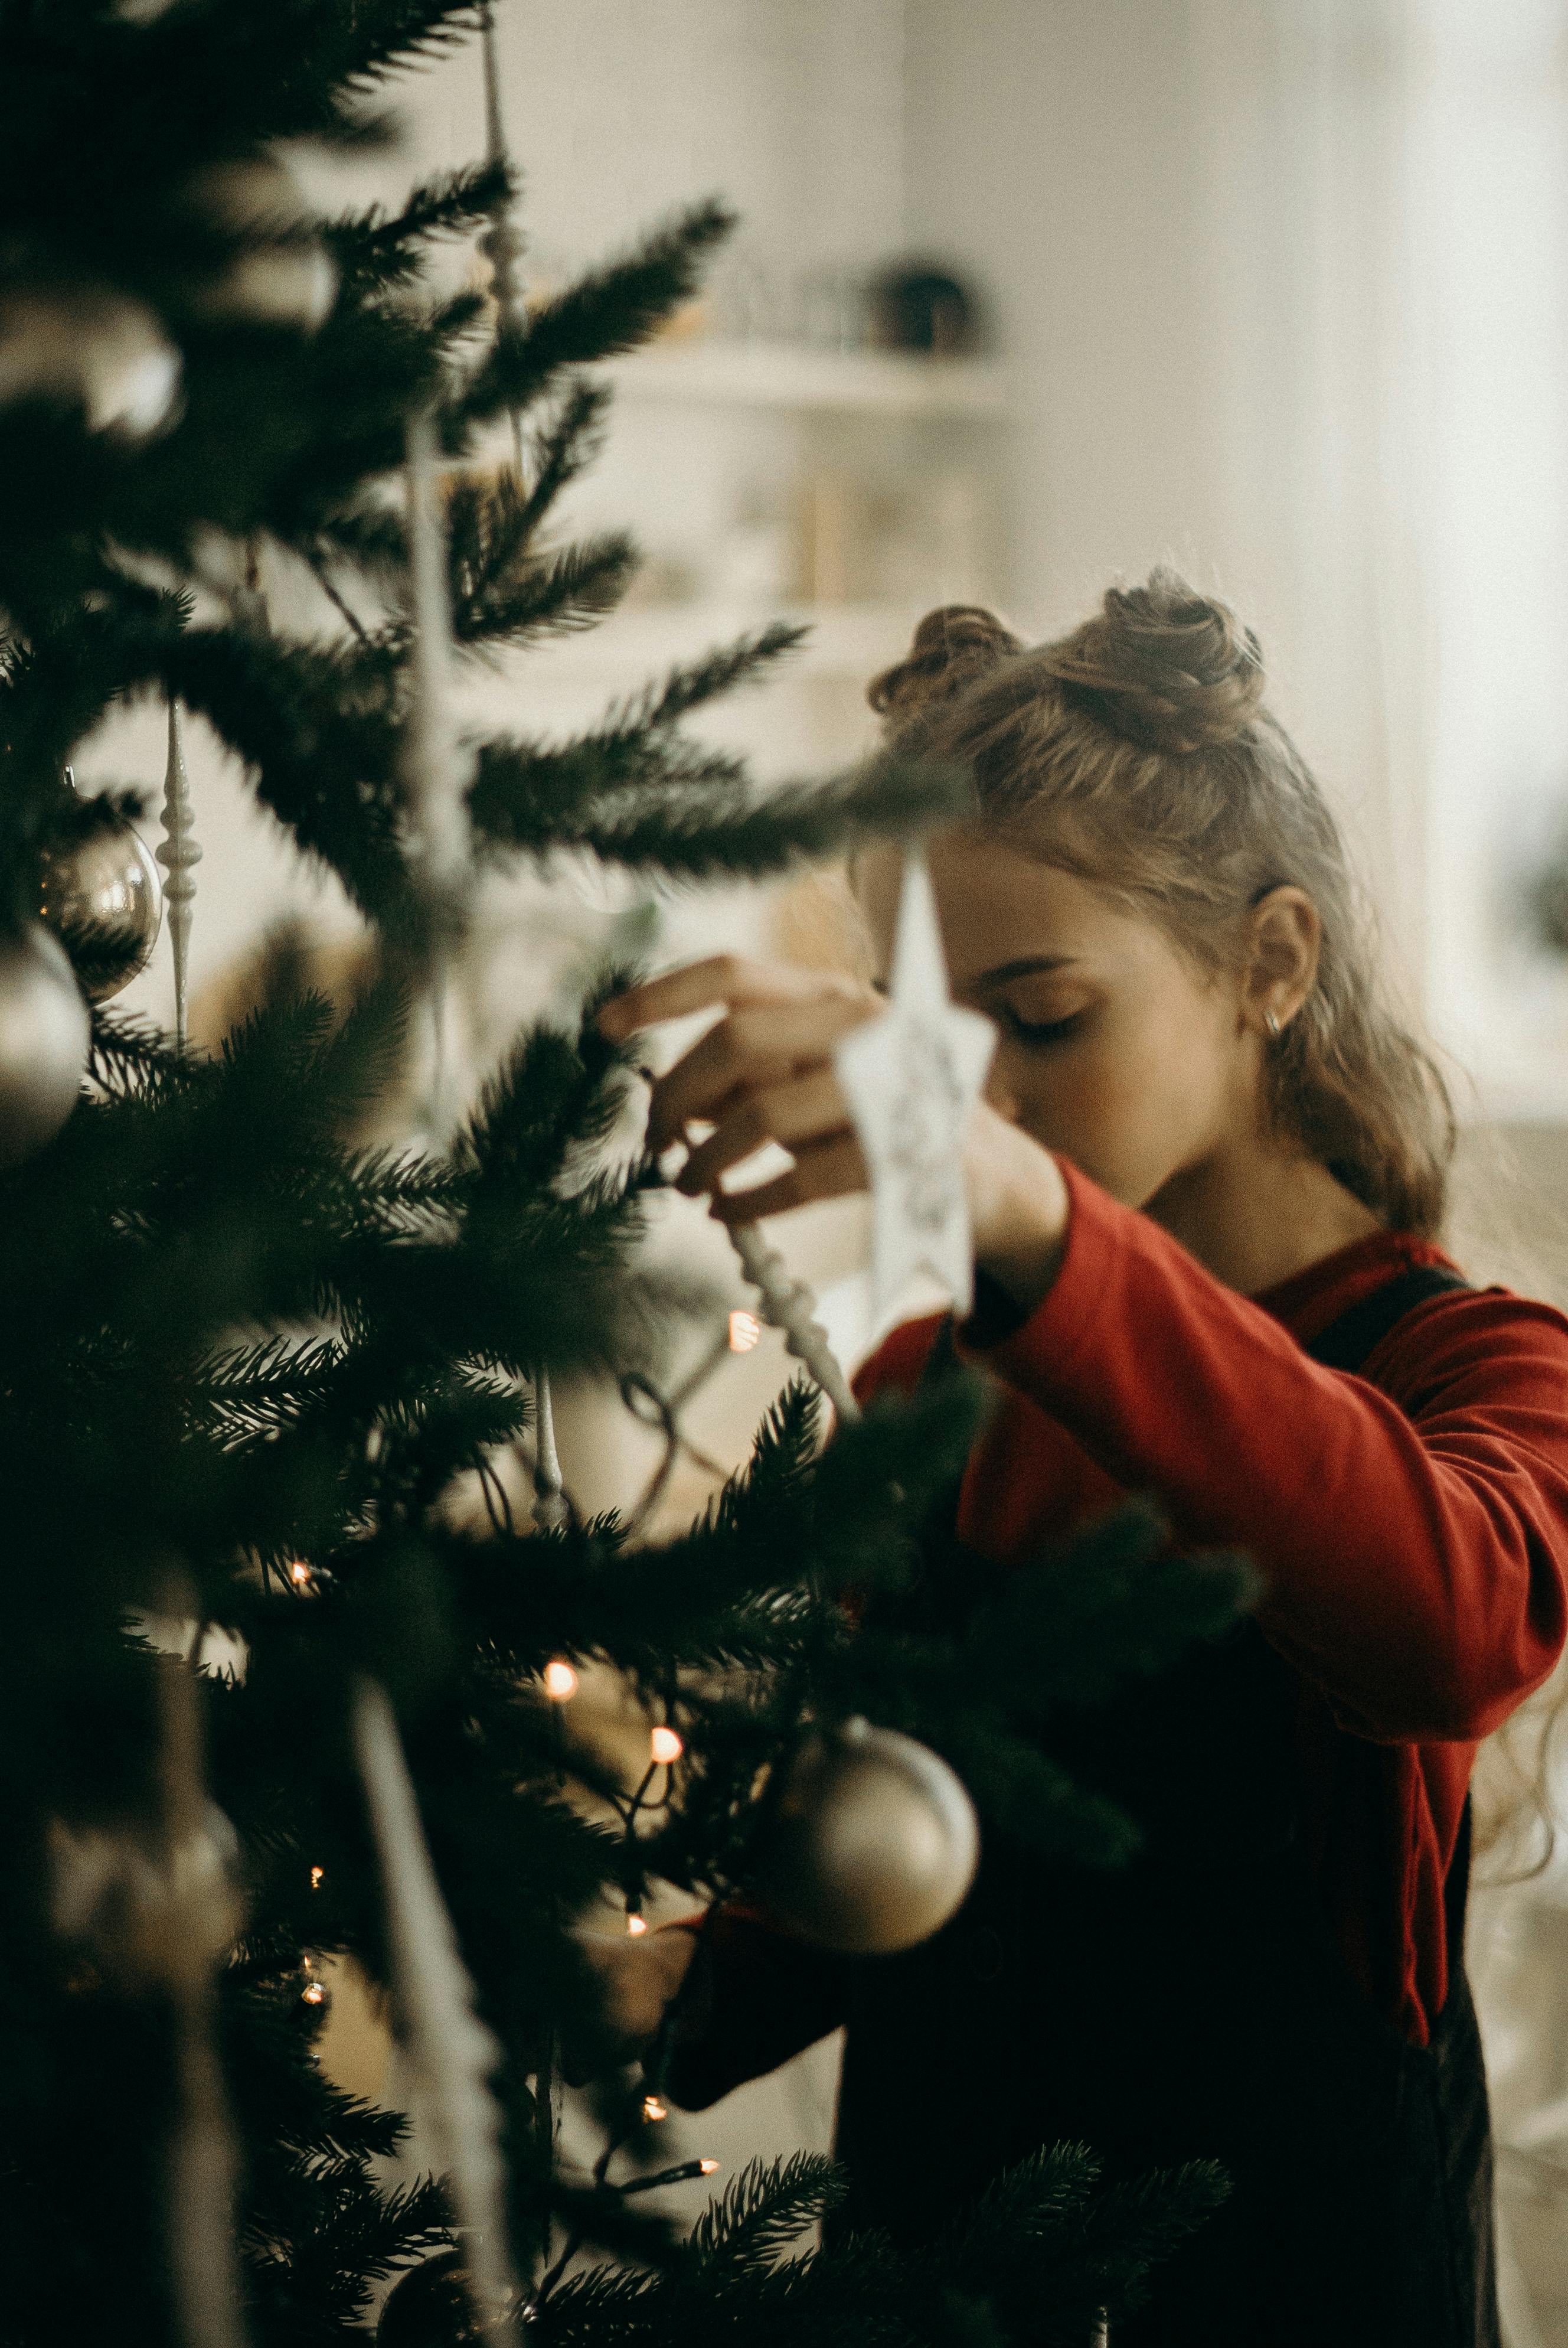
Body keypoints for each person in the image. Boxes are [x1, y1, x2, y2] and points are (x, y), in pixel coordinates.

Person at [593, 571, 1568, 2347]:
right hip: (936, 2264)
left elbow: (1443, 1620)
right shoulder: (926, 1383)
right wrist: (691, 1988)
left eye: (1043, 1020)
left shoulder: (1476, 1365)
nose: (991, 1106)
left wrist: (1039, 1226)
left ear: (1271, 964)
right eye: (941, 1047)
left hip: (1305, 2278)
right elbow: (895, 1827)